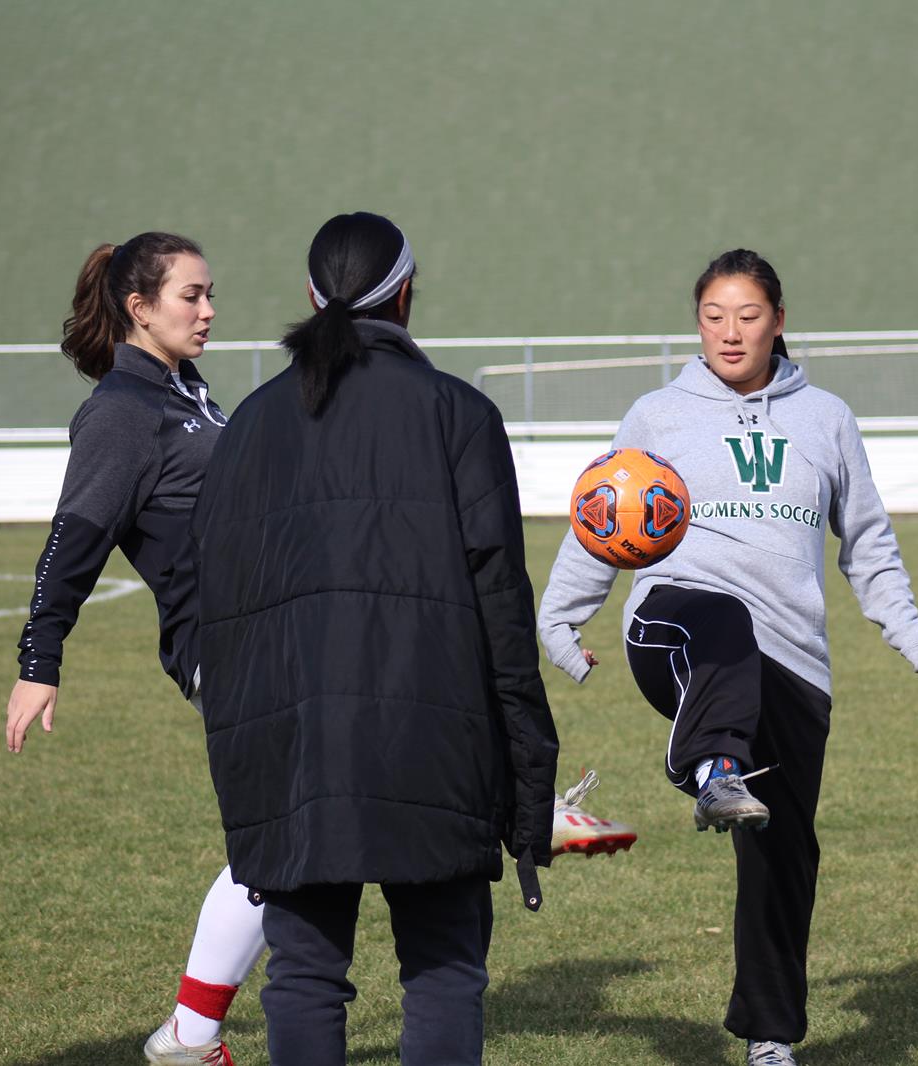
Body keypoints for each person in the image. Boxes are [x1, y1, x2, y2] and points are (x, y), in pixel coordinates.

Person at [537, 249, 918, 1066]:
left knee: (785, 852)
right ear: (697, 323)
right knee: (722, 621)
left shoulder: (827, 418)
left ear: (780, 320)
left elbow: (865, 539)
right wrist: (560, 623)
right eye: (713, 316)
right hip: (675, 628)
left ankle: (770, 1037)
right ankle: (706, 767)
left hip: (791, 660)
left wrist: (910, 630)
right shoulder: (657, 414)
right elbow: (602, 516)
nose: (730, 332)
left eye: (748, 315)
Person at [188, 211, 560, 1066]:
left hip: (292, 745)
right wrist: (529, 776)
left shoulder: (247, 425)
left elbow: (221, 611)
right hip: (435, 737)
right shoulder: (459, 413)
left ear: (312, 297)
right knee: (443, 967)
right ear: (405, 298)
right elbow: (502, 605)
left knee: (305, 973)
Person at [3, 232, 264, 1066]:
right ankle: (192, 1035)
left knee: (305, 834)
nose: (210, 309)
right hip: (224, 649)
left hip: (272, 636)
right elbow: (72, 541)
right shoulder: (122, 412)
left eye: (210, 292)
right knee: (280, 842)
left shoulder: (188, 393)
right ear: (138, 308)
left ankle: (214, 1026)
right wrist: (38, 664)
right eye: (192, 296)